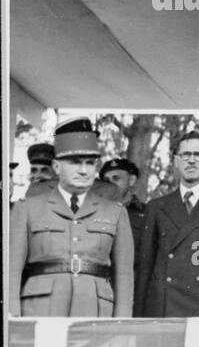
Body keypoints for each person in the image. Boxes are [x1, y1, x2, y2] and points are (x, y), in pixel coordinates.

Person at [9, 118, 133, 315]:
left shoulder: (115, 212)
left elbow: (124, 274)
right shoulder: (27, 208)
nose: (83, 170)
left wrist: (121, 322)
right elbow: (11, 269)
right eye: (75, 163)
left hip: (95, 308)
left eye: (90, 163)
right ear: (57, 167)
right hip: (40, 308)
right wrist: (11, 317)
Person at [135, 131, 199, 317]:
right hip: (163, 304)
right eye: (185, 155)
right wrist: (139, 316)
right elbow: (145, 268)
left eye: (197, 155)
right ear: (176, 161)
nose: (191, 161)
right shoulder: (156, 207)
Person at [99, 156, 147, 257]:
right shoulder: (95, 213)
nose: (110, 183)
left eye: (116, 178)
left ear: (131, 180)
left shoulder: (148, 213)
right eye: (106, 180)